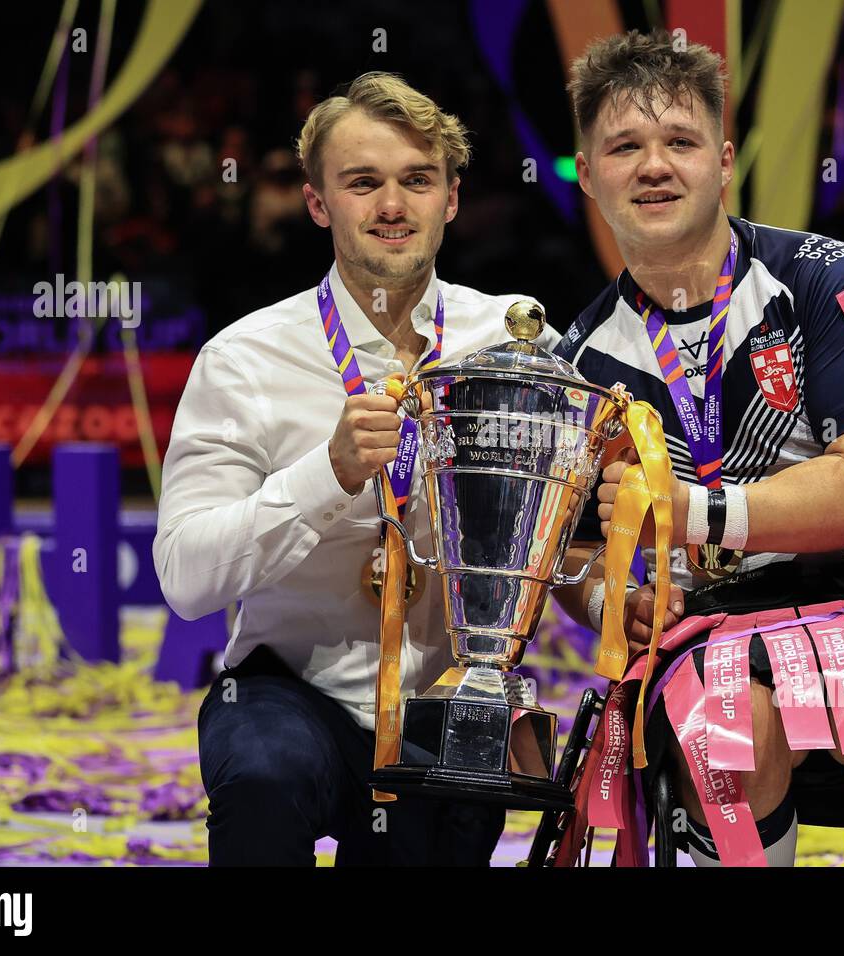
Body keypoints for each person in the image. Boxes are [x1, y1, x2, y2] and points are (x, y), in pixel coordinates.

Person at [552, 31, 844, 867]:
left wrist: (689, 513)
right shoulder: (579, 360)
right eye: (624, 147)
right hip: (714, 619)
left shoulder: (831, 281)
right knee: (731, 732)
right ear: (587, 172)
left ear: (722, 160)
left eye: (679, 142)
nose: (653, 166)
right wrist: (615, 608)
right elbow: (569, 555)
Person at [154, 72, 557, 866]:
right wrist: (326, 475)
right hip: (287, 690)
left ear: (451, 198)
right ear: (318, 203)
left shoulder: (517, 347)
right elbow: (186, 578)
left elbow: (561, 538)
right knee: (264, 778)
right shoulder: (244, 360)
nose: (392, 206)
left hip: (449, 700)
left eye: (417, 180)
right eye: (363, 183)